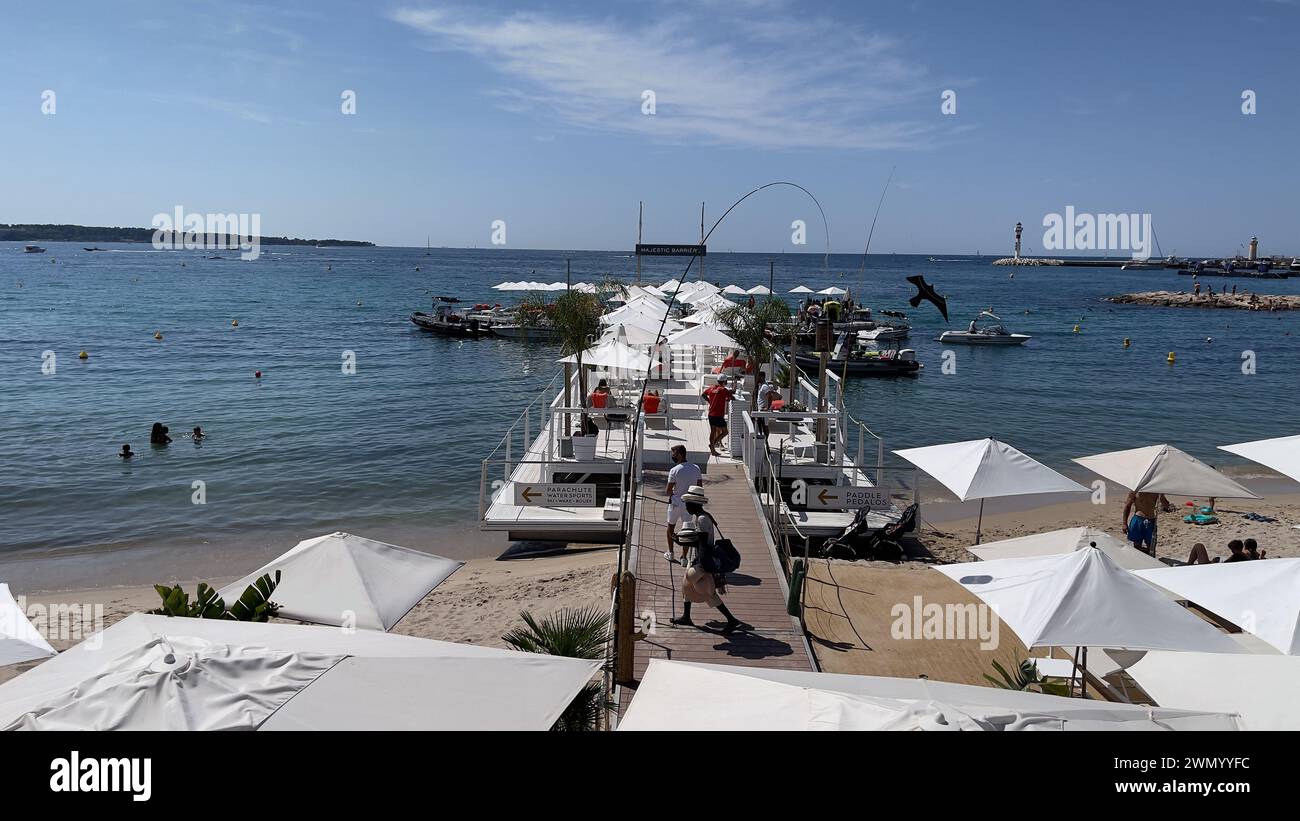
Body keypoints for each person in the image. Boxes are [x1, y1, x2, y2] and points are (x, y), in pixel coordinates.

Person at [668, 493, 741, 635]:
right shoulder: (704, 516)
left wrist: (682, 543)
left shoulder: (701, 520)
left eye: (688, 504)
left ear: (695, 504)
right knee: (687, 586)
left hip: (704, 560)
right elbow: (701, 541)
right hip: (702, 559)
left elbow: (702, 544)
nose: (686, 507)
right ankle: (686, 616)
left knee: (706, 591)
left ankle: (731, 620)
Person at [663, 444, 702, 554]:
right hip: (689, 504)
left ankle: (670, 553)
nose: (673, 456)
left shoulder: (674, 470)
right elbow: (699, 487)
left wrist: (674, 494)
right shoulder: (696, 468)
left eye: (674, 454)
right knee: (688, 530)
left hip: (675, 503)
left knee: (670, 527)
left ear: (679, 454)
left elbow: (668, 490)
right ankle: (684, 557)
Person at [1122, 490, 1172, 556]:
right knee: (1137, 547)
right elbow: (1127, 506)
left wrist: (1161, 496)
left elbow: (1166, 505)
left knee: (1151, 547)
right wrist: (1124, 523)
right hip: (1138, 520)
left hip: (1151, 520)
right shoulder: (1136, 489)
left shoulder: (1156, 489)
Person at [702, 375, 735, 457]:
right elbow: (732, 398)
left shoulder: (712, 388)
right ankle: (712, 445)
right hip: (718, 415)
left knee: (713, 431)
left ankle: (713, 450)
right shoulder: (724, 390)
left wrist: (710, 401)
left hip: (711, 414)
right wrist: (728, 397)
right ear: (724, 382)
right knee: (725, 432)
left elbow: (703, 394)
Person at [755, 371, 776, 437]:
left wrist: (767, 407)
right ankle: (763, 439)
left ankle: (766, 441)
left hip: (764, 410)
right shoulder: (761, 385)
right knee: (760, 425)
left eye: (758, 377)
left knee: (765, 426)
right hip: (760, 409)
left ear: (762, 377)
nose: (757, 379)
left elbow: (770, 396)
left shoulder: (764, 386)